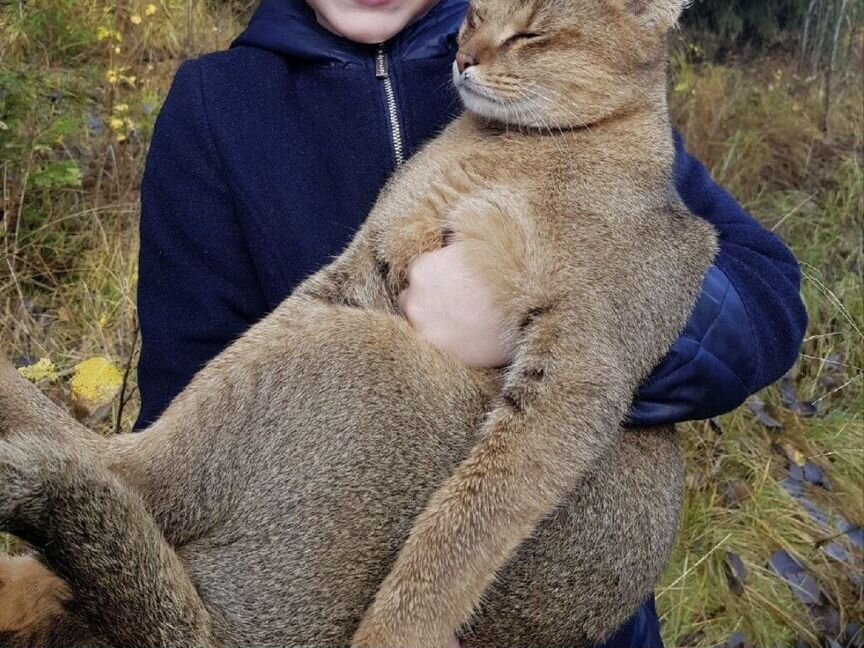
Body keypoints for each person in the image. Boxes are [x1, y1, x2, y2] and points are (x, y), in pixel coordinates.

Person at [134, 0, 808, 645]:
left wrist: (574, 323)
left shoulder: (596, 100)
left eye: (525, 38)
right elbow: (185, 386)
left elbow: (768, 289)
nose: (477, 52)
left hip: (559, 585)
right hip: (305, 565)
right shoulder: (217, 103)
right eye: (480, 22)